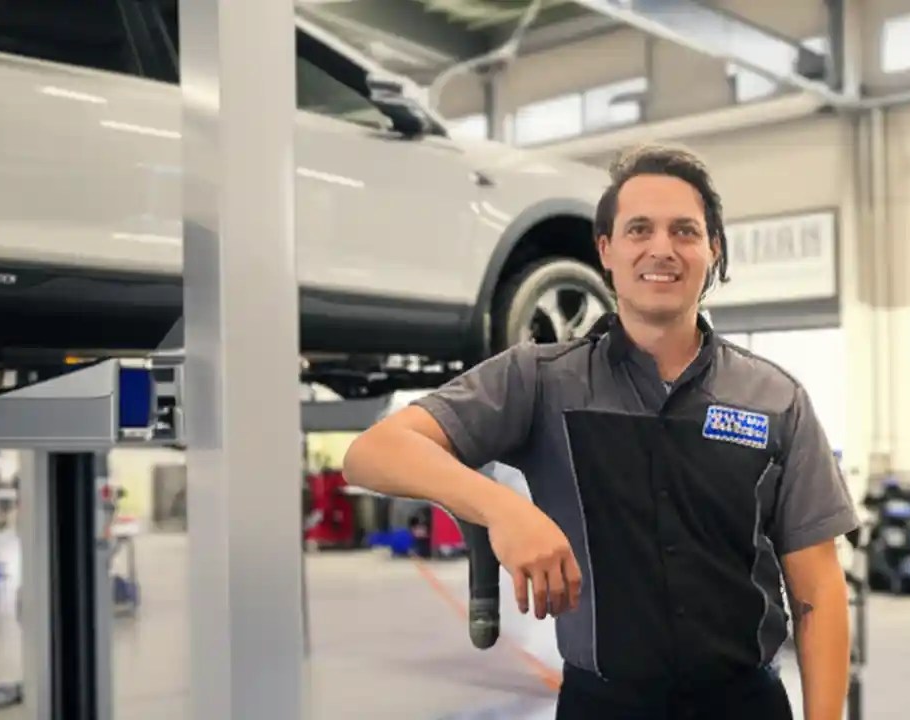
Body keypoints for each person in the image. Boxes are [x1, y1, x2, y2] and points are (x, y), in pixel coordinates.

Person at [343, 143, 860, 720]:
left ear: (713, 250)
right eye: (639, 229)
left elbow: (817, 594)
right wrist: (503, 510)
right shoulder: (540, 380)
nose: (661, 249)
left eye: (684, 231)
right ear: (606, 250)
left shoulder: (775, 399)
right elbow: (374, 453)